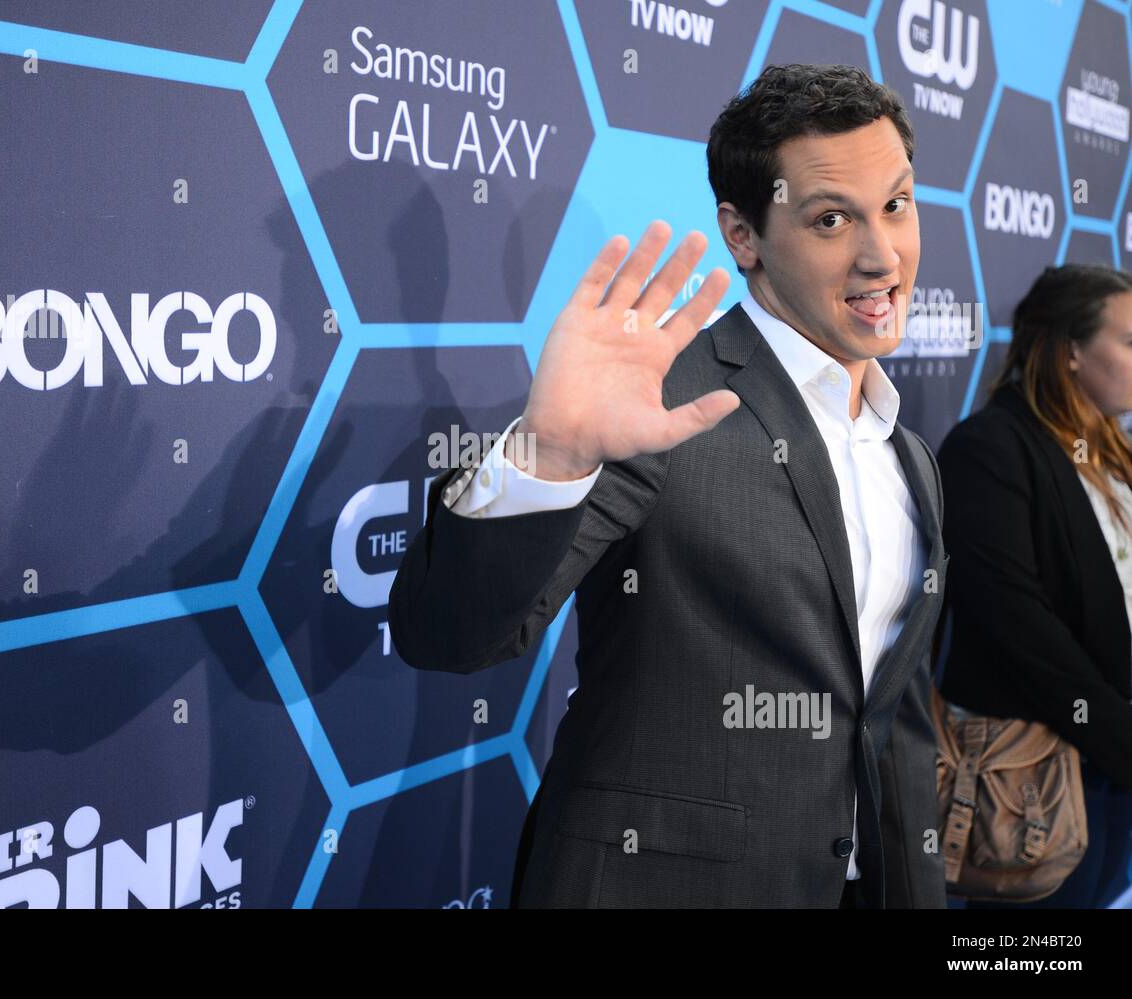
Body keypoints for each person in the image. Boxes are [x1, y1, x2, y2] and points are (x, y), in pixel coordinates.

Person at [389, 63, 948, 908]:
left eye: (897, 206)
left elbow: (885, 715)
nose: (883, 255)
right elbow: (450, 636)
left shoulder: (908, 450)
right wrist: (549, 455)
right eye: (831, 218)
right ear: (744, 234)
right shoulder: (658, 398)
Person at [937, 263, 1132, 909]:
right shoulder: (989, 448)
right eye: (1129, 342)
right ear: (1071, 350)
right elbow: (1017, 625)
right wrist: (1116, 735)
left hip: (1111, 768)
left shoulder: (1112, 449)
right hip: (1038, 779)